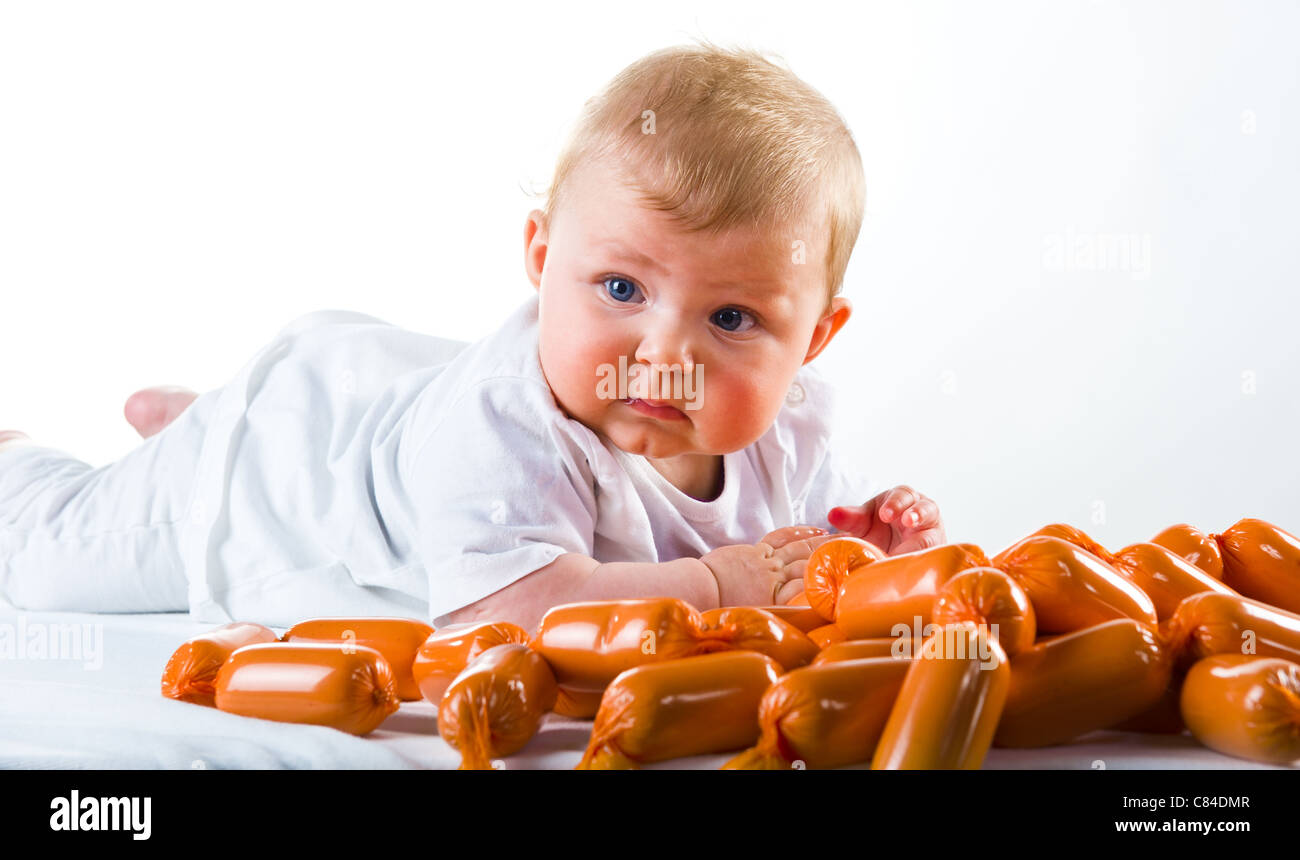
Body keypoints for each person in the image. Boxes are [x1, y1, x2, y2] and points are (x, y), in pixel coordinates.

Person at [0, 40, 945, 633]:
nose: (665, 356)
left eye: (732, 319)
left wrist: (888, 552)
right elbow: (507, 608)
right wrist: (709, 584)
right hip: (278, 483)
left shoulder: (797, 431)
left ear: (814, 340)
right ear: (540, 257)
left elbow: (813, 561)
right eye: (620, 288)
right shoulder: (506, 427)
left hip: (384, 413)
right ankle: (58, 454)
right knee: (45, 562)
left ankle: (190, 422)